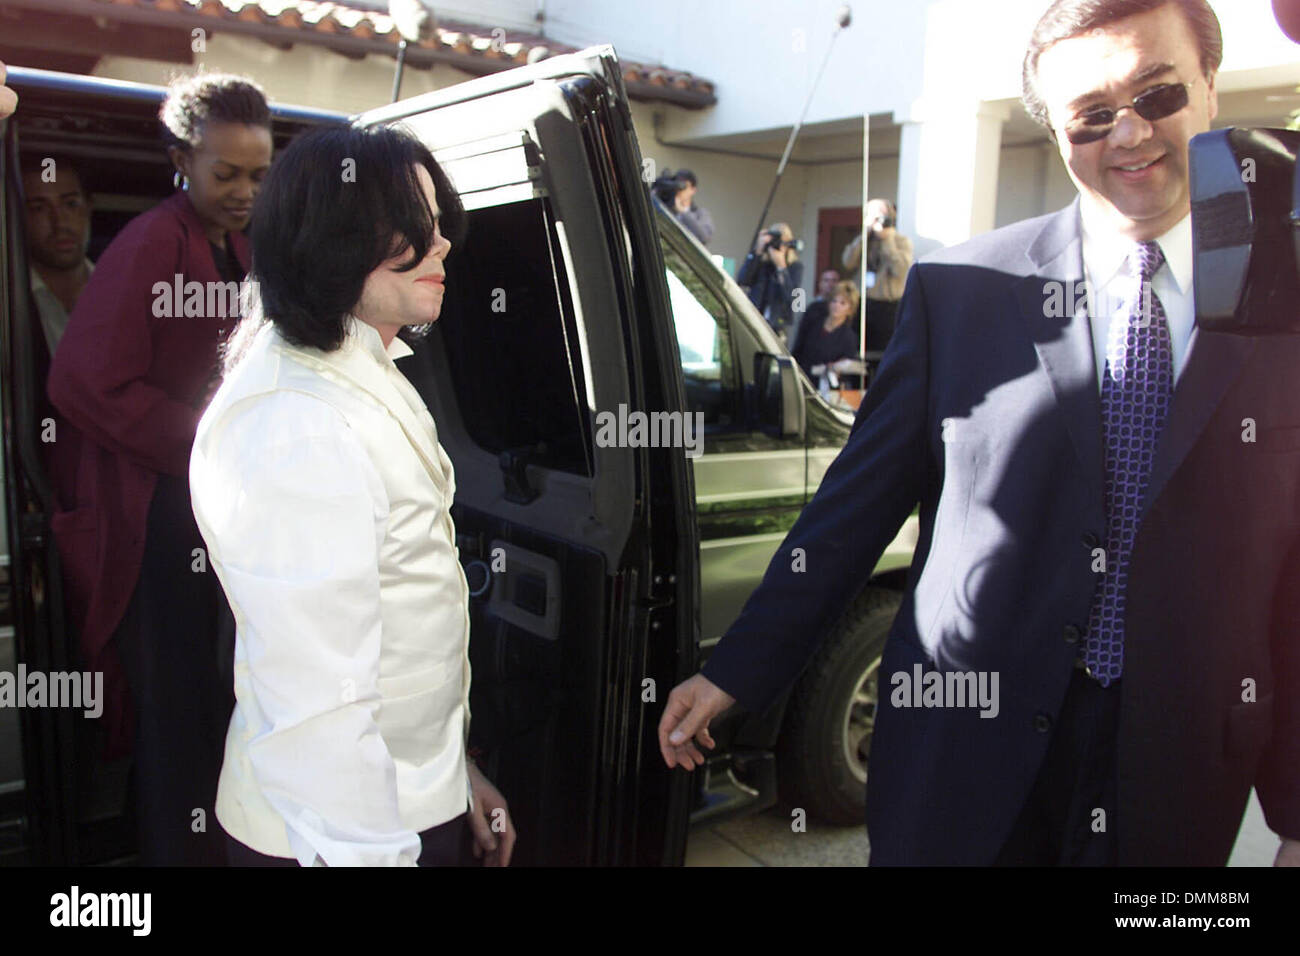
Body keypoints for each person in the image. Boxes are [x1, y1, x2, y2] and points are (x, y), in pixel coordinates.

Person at [659, 0, 1300, 867]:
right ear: (1055, 127)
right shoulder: (962, 291)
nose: (1130, 135)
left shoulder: (1284, 306)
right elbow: (850, 510)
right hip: (962, 748)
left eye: (1158, 95)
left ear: (1211, 89)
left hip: (1175, 769)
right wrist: (738, 669)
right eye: (1092, 116)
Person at [191, 124, 516, 867]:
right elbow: (319, 707)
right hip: (337, 843)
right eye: (412, 224)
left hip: (396, 809)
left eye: (440, 224)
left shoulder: (358, 368)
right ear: (330, 237)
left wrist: (452, 777)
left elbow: (394, 635)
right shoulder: (297, 422)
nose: (442, 245)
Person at [47, 72, 272, 866]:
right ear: (182, 160)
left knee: (212, 705)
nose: (246, 191)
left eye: (260, 174)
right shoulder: (150, 240)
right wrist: (209, 442)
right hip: (153, 516)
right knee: (177, 715)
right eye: (227, 173)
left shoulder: (240, 246)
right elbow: (80, 381)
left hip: (211, 513)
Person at [21, 154, 94, 356]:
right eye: (39, 208)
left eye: (70, 204)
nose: (59, 222)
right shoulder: (10, 299)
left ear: (88, 208)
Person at [841, 199, 914, 350]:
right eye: (873, 215)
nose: (877, 219)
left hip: (887, 305)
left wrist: (887, 239)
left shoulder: (901, 241)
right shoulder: (865, 240)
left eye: (881, 214)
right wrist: (864, 235)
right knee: (856, 347)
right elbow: (847, 262)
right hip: (861, 301)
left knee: (882, 351)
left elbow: (900, 270)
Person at [737, 222, 804, 340]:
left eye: (782, 242)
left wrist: (781, 267)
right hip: (754, 321)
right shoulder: (761, 264)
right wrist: (757, 252)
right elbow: (742, 280)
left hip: (777, 327)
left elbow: (796, 302)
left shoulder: (796, 267)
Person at [791, 279, 861, 383]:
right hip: (801, 378)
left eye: (842, 303)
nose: (837, 305)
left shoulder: (848, 336)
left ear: (850, 309)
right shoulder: (813, 323)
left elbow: (848, 367)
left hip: (826, 386)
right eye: (834, 301)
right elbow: (799, 349)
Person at [669, 169, 715, 246]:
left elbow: (705, 237)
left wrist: (684, 213)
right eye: (677, 184)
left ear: (693, 190)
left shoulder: (700, 214)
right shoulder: (667, 208)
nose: (679, 189)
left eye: (683, 186)